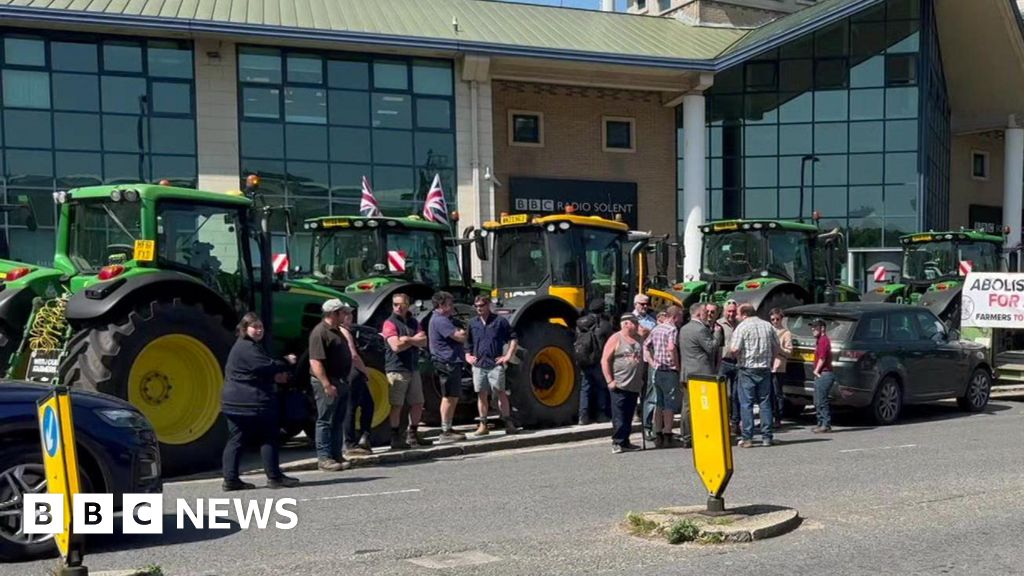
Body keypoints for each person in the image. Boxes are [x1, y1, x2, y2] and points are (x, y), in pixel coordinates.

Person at [221, 313, 300, 491]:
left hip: (234, 400)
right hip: (250, 401)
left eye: (261, 327)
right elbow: (264, 366)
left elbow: (255, 371)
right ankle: (274, 477)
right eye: (254, 327)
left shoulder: (242, 347)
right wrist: (286, 361)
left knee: (236, 439)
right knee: (269, 437)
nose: (258, 330)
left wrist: (274, 376)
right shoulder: (247, 347)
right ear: (244, 328)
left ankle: (230, 479)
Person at [309, 299, 355, 471]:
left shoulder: (338, 331)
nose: (346, 315)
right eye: (343, 312)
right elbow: (315, 361)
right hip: (328, 382)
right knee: (325, 420)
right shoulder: (320, 332)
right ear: (333, 313)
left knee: (337, 420)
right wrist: (327, 384)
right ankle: (324, 458)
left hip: (341, 381)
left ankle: (336, 455)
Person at [382, 293, 430, 449]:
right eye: (395, 304)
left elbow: (424, 341)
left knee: (418, 402)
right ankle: (395, 437)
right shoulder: (389, 323)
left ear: (408, 304)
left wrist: (407, 340)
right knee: (397, 405)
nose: (398, 307)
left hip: (413, 367)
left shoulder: (413, 321)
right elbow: (395, 346)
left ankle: (413, 434)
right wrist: (414, 340)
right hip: (396, 368)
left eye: (401, 304)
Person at [465, 295, 519, 436]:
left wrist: (508, 356)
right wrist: (468, 356)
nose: (479, 309)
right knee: (481, 394)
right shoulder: (472, 323)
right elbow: (468, 342)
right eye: (476, 306)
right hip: (479, 364)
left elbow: (513, 338)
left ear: (488, 305)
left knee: (501, 392)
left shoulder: (500, 321)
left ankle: (508, 422)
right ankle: (483, 424)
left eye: (481, 305)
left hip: (495, 363)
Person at [729, 303, 780, 448]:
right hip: (764, 368)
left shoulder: (742, 327)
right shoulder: (767, 326)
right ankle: (767, 437)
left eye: (738, 314)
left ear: (744, 314)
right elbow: (777, 346)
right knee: (765, 403)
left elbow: (734, 349)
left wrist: (734, 355)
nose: (736, 317)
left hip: (747, 369)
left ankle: (748, 438)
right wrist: (770, 360)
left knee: (746, 404)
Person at [602, 314, 645, 454]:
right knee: (619, 415)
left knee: (628, 414)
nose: (637, 325)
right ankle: (617, 442)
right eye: (634, 322)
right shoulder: (616, 338)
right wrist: (610, 380)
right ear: (626, 324)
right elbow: (605, 360)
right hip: (620, 384)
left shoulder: (638, 338)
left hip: (634, 384)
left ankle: (625, 441)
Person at [428, 291, 468, 443]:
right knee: (449, 396)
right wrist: (463, 332)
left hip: (451, 361)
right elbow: (459, 336)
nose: (452, 307)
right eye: (449, 304)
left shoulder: (443, 319)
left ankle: (448, 427)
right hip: (447, 362)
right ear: (441, 305)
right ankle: (445, 431)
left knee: (453, 396)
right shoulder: (440, 320)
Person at [677, 301, 718, 448]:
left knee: (687, 406)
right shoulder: (701, 329)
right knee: (704, 405)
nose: (707, 315)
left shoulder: (684, 328)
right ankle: (702, 434)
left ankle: (686, 436)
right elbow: (711, 348)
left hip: (687, 372)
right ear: (699, 314)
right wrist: (717, 334)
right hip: (701, 373)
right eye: (705, 313)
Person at [339, 305, 374, 457]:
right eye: (346, 313)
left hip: (352, 372)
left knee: (367, 404)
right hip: (353, 372)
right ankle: (350, 443)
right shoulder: (344, 332)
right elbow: (353, 355)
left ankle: (364, 437)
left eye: (351, 313)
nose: (350, 316)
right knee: (351, 408)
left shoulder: (345, 331)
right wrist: (365, 370)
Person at [645, 308, 680, 448]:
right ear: (675, 316)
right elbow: (671, 348)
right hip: (669, 370)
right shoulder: (672, 330)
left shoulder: (656, 329)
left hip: (658, 370)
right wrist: (676, 365)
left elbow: (645, 346)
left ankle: (657, 432)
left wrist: (652, 362)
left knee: (658, 403)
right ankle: (667, 433)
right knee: (669, 404)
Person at [575, 298, 614, 425]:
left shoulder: (581, 324)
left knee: (585, 388)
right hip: (599, 361)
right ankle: (601, 415)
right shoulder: (605, 325)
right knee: (601, 387)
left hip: (584, 361)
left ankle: (583, 416)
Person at [716, 300, 741, 435]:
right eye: (729, 311)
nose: (731, 314)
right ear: (724, 311)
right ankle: (723, 421)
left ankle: (735, 423)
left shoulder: (740, 324)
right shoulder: (719, 324)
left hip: (737, 362)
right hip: (723, 362)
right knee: (725, 395)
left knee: (736, 395)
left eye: (733, 311)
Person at [769, 308, 794, 427]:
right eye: (772, 319)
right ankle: (768, 418)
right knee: (767, 394)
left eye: (777, 319)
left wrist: (780, 350)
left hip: (778, 367)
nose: (775, 321)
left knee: (777, 393)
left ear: (781, 319)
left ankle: (777, 418)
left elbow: (789, 352)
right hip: (767, 365)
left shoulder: (786, 333)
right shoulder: (768, 330)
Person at [810, 318, 835, 433]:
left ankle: (825, 424)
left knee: (821, 400)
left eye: (815, 327)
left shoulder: (824, 340)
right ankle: (820, 423)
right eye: (812, 327)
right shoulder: (819, 340)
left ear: (822, 328)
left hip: (824, 373)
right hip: (821, 373)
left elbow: (822, 357)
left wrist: (816, 370)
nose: (813, 329)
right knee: (817, 400)